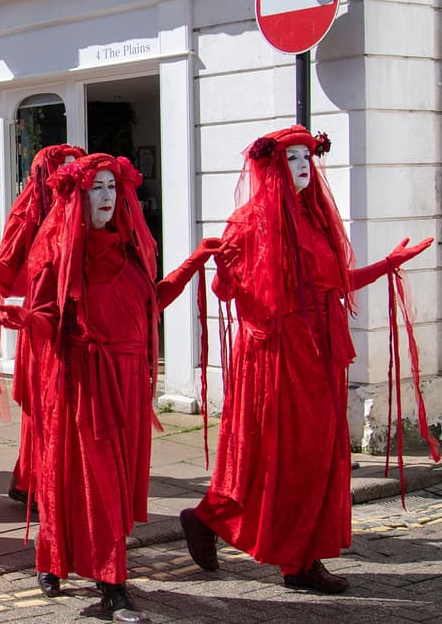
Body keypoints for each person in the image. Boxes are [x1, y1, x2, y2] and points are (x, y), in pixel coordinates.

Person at [179, 126, 434, 595]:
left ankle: (253, 537)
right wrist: (223, 270)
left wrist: (388, 264)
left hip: (321, 351)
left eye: (306, 157)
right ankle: (287, 556)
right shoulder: (250, 221)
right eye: (291, 158)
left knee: (318, 455)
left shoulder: (315, 218)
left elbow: (336, 283)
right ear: (271, 166)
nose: (302, 166)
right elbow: (225, 291)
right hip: (279, 355)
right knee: (280, 454)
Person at [0, 153, 218, 622]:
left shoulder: (131, 251)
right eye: (96, 187)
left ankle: (57, 559)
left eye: (112, 187)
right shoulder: (58, 253)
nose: (107, 196)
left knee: (111, 487)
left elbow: (152, 302)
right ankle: (112, 585)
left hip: (129, 386)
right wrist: (27, 319)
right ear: (78, 195)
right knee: (91, 483)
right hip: (84, 387)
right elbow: (49, 318)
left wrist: (193, 263)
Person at [0, 143, 86, 506]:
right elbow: (9, 276)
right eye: (61, 172)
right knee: (43, 407)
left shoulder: (88, 218)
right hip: (40, 324)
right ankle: (36, 482)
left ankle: (46, 480)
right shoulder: (30, 219)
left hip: (79, 326)